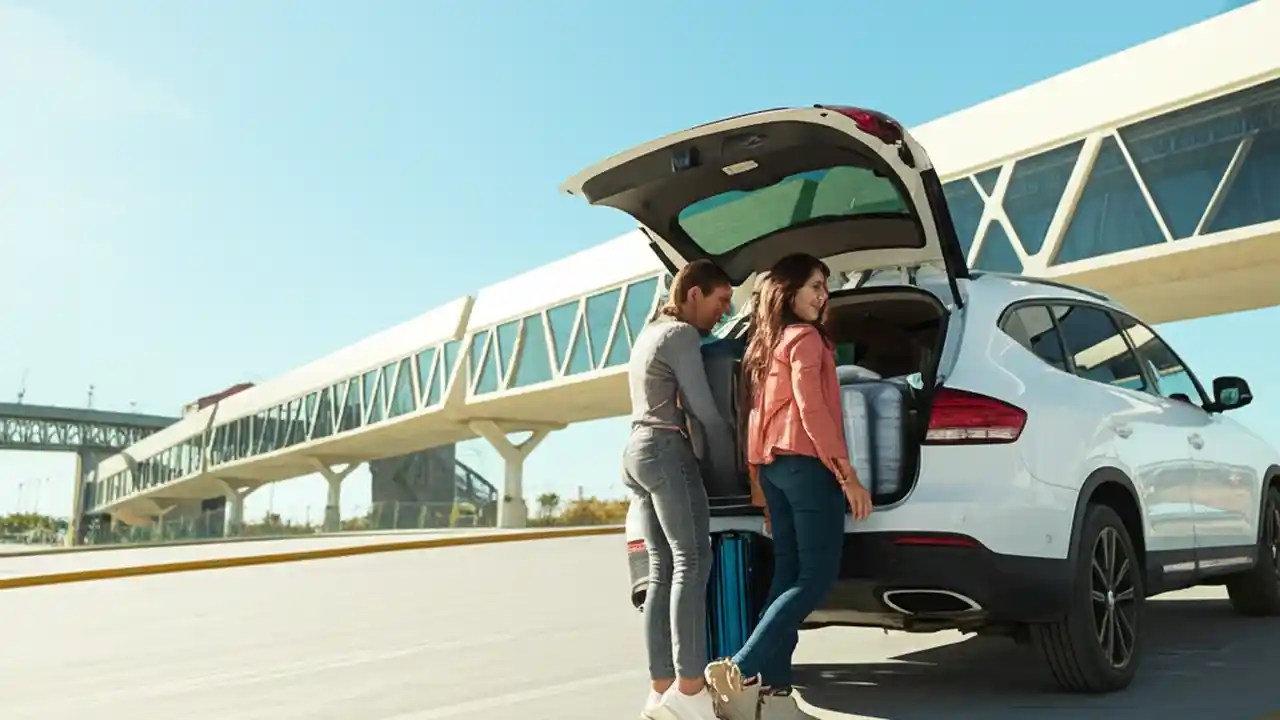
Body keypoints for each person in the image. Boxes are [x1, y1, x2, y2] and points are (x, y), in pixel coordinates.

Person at [704, 253, 873, 720]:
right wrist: (849, 477)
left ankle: (775, 698)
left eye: (825, 287)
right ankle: (740, 670)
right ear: (790, 292)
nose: (824, 296)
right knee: (815, 579)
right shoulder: (807, 340)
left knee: (786, 580)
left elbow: (755, 421)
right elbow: (814, 412)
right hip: (807, 467)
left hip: (775, 469)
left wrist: (762, 487)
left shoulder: (767, 345)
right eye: (815, 286)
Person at [625, 259, 736, 720]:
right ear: (693, 294)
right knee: (693, 560)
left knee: (661, 569)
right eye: (721, 301)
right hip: (667, 450)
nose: (724, 312)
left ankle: (661, 690)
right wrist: (731, 458)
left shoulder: (648, 334)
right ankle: (690, 693)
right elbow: (704, 409)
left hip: (635, 450)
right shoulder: (681, 335)